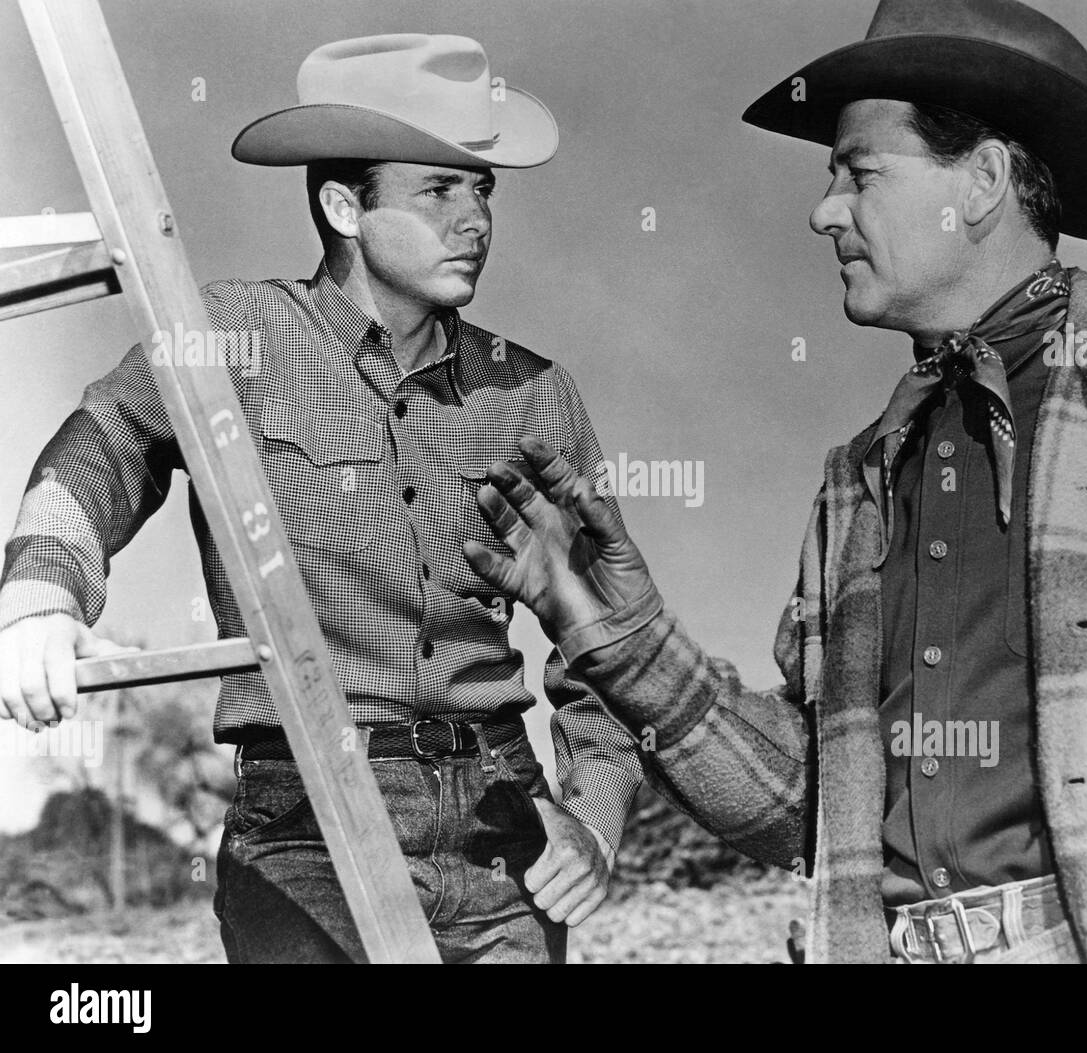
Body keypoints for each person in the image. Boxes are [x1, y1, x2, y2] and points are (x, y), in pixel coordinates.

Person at [460, 0, 1087, 963]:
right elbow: (809, 811)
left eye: (859, 174)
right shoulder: (859, 484)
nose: (824, 212)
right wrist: (621, 638)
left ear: (981, 181)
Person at [0, 33, 641, 964]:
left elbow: (611, 632)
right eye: (438, 189)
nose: (476, 220)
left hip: (504, 820)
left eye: (483, 189)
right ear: (344, 205)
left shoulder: (533, 392)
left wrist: (591, 818)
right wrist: (40, 601)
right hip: (305, 820)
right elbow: (101, 445)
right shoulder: (234, 334)